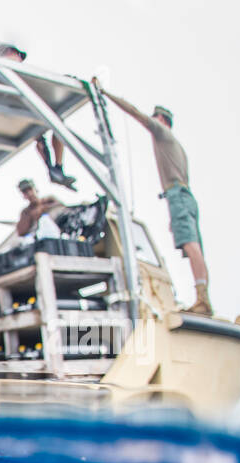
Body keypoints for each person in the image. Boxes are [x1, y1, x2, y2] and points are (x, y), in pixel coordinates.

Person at [94, 79, 212, 316]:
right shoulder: (176, 146)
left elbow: (136, 114)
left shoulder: (162, 132)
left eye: (155, 118)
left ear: (162, 120)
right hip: (182, 195)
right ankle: (202, 295)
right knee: (193, 246)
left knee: (190, 245)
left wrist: (105, 92)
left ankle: (203, 299)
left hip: (178, 195)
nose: (152, 121)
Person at [0, 43, 76, 189]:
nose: (19, 58)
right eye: (16, 53)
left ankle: (56, 169)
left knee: (54, 126)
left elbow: (43, 84)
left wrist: (63, 81)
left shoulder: (26, 74)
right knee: (39, 133)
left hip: (29, 110)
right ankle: (54, 169)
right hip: (12, 110)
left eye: (19, 55)